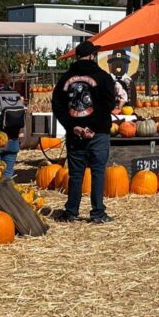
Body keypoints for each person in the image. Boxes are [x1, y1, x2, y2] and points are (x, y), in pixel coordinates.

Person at [51, 40, 116, 224]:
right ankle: (97, 213)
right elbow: (108, 104)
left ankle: (71, 211)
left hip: (75, 134)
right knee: (97, 172)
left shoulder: (65, 79)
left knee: (76, 174)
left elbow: (57, 105)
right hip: (98, 133)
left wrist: (73, 126)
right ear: (92, 56)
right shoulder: (103, 77)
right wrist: (92, 127)